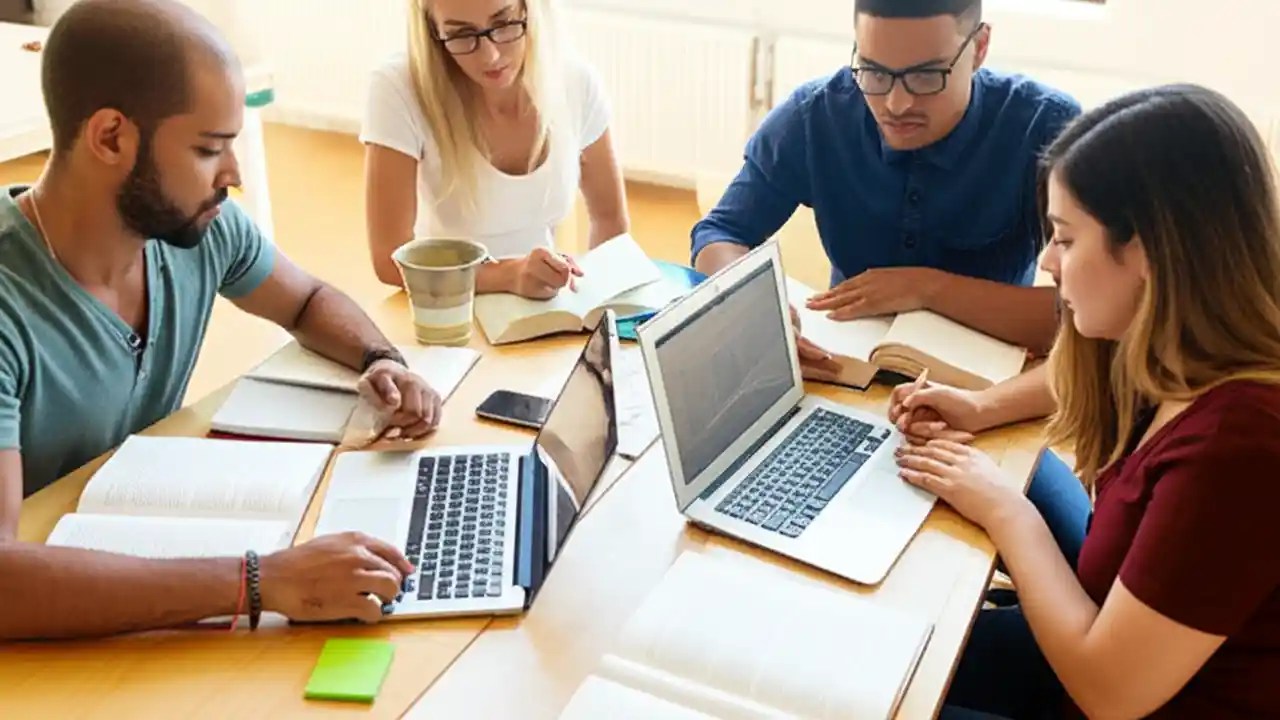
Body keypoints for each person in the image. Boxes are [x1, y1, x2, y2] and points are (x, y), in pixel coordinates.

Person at [0, 0, 427, 636]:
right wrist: (262, 582)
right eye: (208, 149)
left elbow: (307, 298)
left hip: (125, 587)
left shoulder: (200, 230)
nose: (233, 174)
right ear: (111, 137)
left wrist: (380, 358)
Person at [896, 85, 1280, 718]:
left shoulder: (1240, 448)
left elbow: (1110, 694)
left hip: (1117, 690)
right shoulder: (1179, 348)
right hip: (1114, 621)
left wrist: (1004, 511)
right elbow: (1075, 381)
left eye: (1067, 240)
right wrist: (981, 405)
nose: (1047, 261)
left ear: (1150, 252)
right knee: (892, 645)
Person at [691, 0, 1079, 378]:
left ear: (979, 48)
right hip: (845, 374)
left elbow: (1087, 310)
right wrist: (756, 309)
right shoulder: (815, 114)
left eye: (927, 76)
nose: (896, 103)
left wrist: (927, 288)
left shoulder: (1046, 127)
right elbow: (719, 233)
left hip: (988, 389)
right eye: (875, 72)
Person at [363, 0, 628, 300]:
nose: (491, 55)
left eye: (504, 24)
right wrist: (508, 275)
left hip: (542, 306)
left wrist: (595, 304)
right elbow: (389, 259)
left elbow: (609, 219)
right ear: (432, 31)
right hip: (446, 306)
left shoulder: (575, 82)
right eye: (462, 35)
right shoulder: (399, 88)